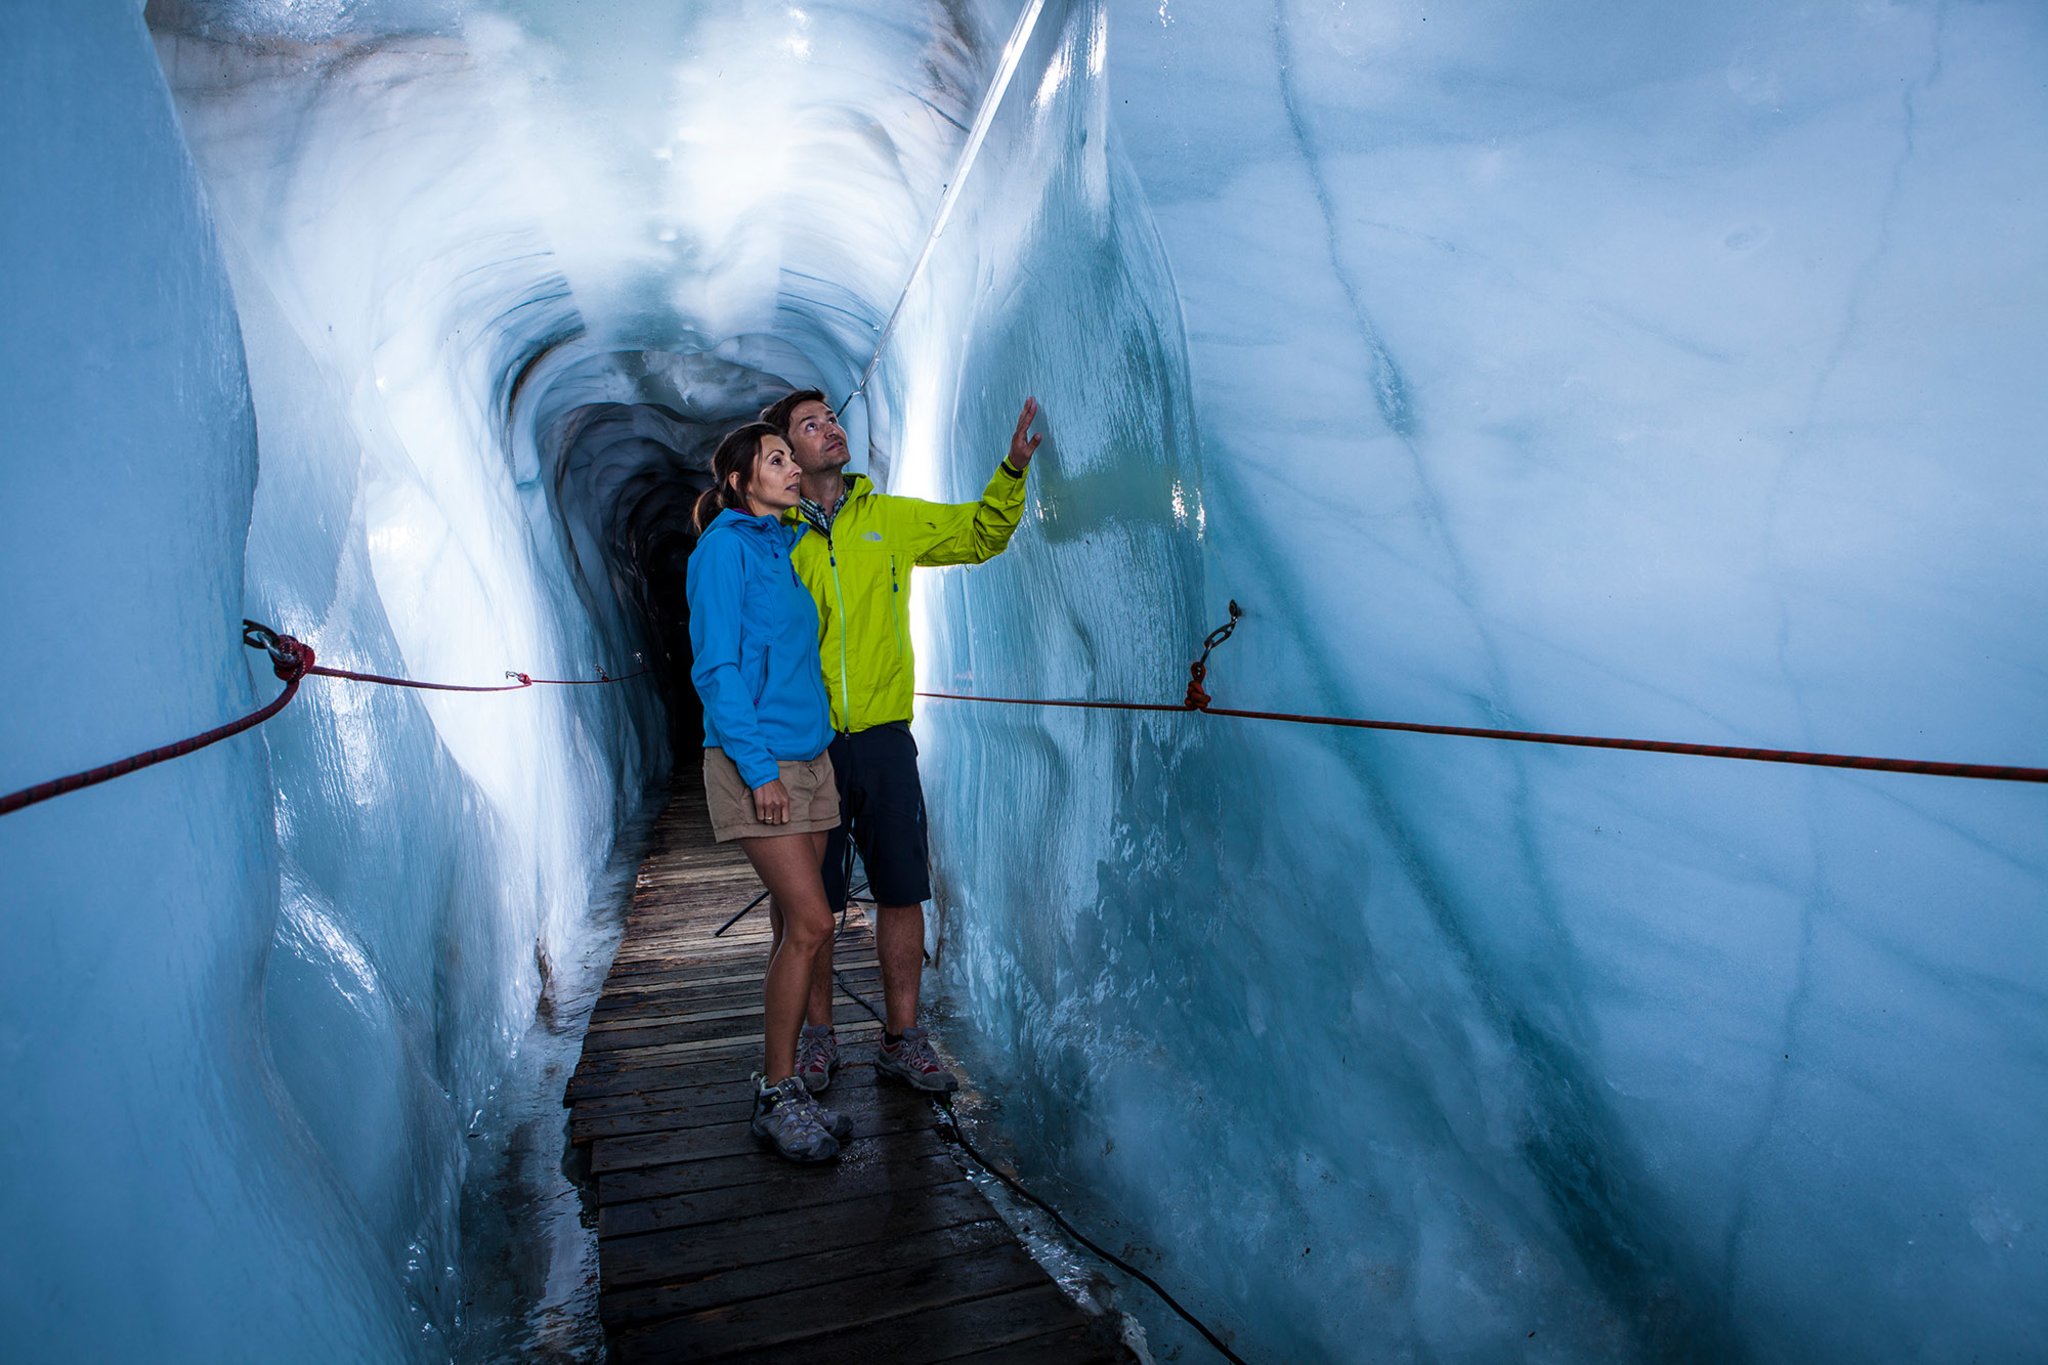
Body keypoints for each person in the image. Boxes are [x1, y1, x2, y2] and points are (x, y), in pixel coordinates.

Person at [759, 388, 1041, 1095]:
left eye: (831, 417)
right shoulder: (773, 537)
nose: (832, 429)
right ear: (788, 454)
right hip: (806, 744)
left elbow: (978, 534)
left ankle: (902, 1037)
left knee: (902, 887)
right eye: (811, 424)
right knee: (810, 903)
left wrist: (1010, 471)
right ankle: (818, 1038)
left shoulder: (887, 519)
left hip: (883, 735)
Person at [685, 421, 854, 1162]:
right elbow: (717, 668)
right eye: (776, 459)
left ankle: (783, 1090)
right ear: (738, 480)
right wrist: (759, 771)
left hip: (808, 758)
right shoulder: (723, 550)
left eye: (792, 458)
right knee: (814, 924)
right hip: (759, 764)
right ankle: (775, 1093)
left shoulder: (782, 547)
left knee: (798, 926)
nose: (791, 468)